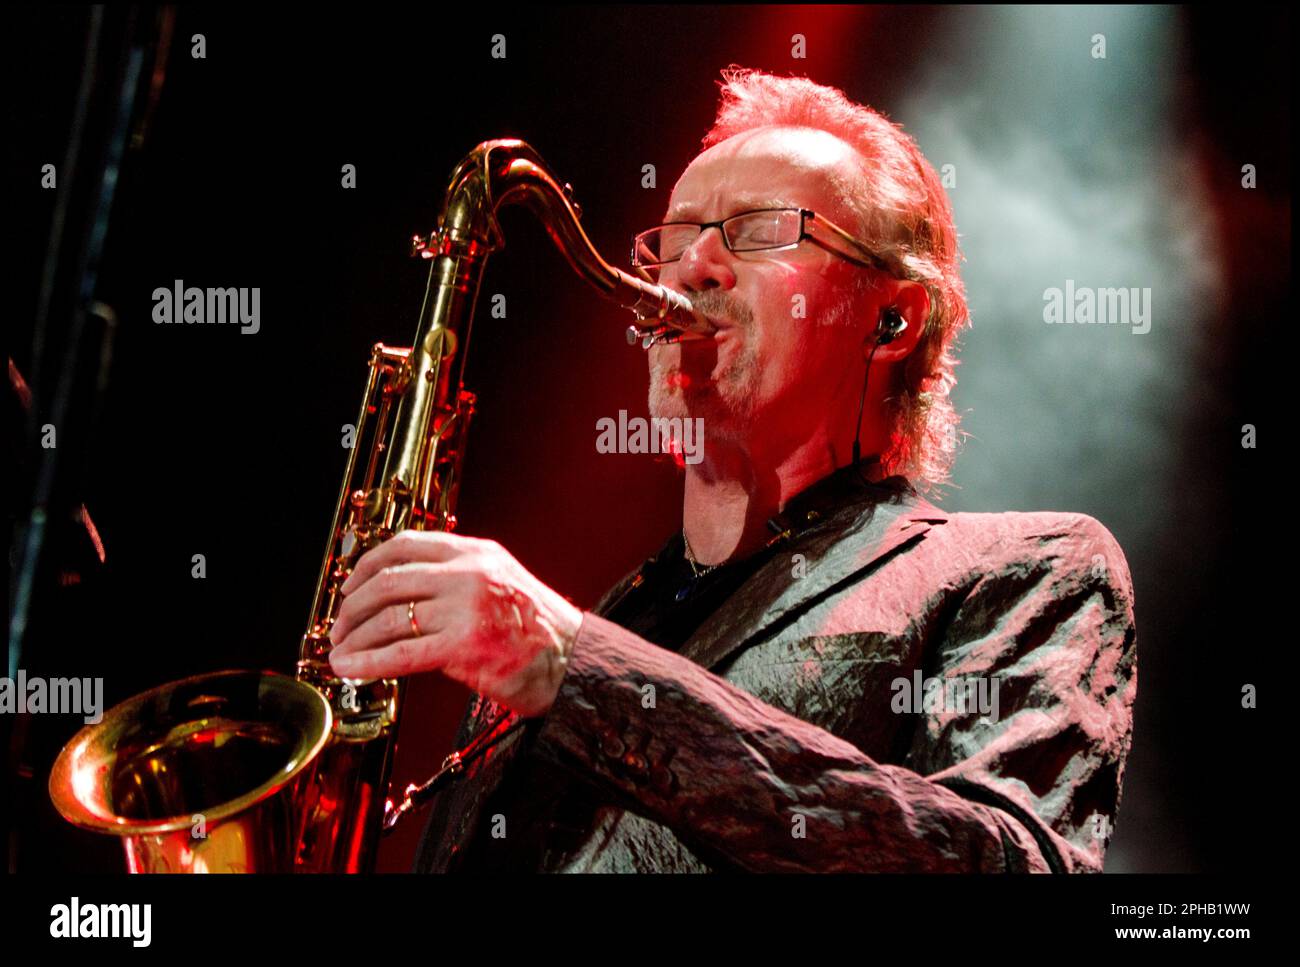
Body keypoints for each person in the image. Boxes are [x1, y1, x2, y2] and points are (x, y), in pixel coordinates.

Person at [327, 67, 1137, 873]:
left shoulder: (1028, 570)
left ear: (890, 320)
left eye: (760, 229)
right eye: (675, 239)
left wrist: (576, 667)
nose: (690, 268)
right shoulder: (595, 621)